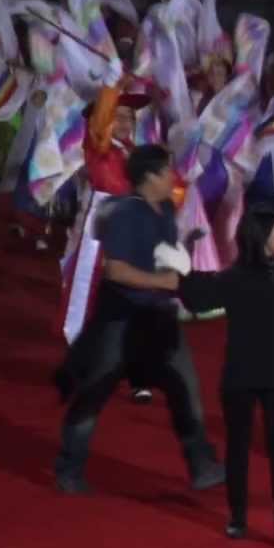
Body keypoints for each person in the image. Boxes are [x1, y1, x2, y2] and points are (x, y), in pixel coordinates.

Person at [54, 145, 224, 494]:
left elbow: (162, 256)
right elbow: (114, 270)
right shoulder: (124, 215)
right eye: (166, 172)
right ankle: (69, 467)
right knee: (94, 391)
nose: (171, 178)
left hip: (159, 317)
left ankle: (201, 464)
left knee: (185, 387)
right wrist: (163, 281)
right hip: (122, 317)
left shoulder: (162, 209)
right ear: (149, 177)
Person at [172, 203, 274, 544]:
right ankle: (237, 517)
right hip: (241, 376)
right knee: (238, 448)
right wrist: (184, 264)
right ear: (263, 237)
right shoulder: (234, 278)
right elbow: (197, 300)